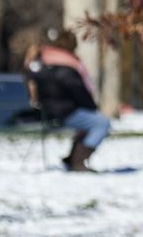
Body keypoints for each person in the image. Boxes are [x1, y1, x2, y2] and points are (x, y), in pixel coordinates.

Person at [23, 28, 112, 172]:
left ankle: (72, 158)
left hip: (47, 111)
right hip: (63, 113)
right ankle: (78, 161)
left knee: (90, 122)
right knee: (102, 123)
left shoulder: (41, 63)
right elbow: (80, 94)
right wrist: (92, 108)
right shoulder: (66, 67)